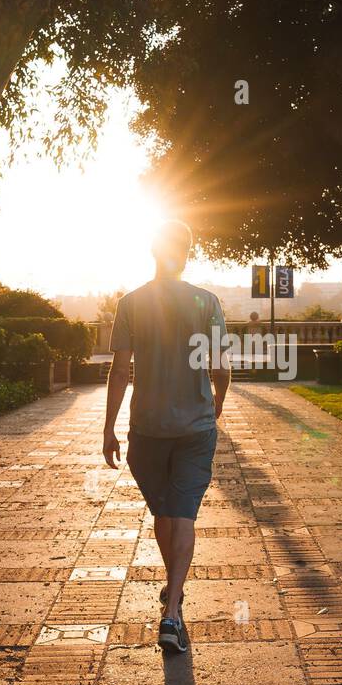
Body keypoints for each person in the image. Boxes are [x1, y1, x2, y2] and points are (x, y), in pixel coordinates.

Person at [103, 220, 230, 654]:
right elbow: (221, 367)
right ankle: (173, 605)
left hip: (147, 428)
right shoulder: (206, 301)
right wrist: (218, 398)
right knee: (180, 514)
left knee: (166, 513)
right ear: (187, 252)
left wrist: (108, 428)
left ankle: (172, 602)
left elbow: (120, 371)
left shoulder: (131, 303)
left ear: (153, 252)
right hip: (195, 427)